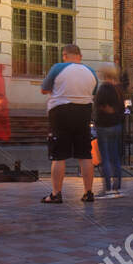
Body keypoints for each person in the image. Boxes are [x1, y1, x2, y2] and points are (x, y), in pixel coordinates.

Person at [39, 43, 98, 203]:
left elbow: (44, 89)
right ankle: (88, 192)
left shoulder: (58, 68)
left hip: (61, 112)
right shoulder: (91, 71)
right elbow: (93, 91)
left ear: (64, 55)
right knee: (85, 154)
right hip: (84, 112)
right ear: (80, 56)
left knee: (59, 156)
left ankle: (56, 194)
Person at [93, 64, 125, 198]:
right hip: (116, 125)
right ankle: (117, 187)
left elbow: (99, 106)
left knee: (105, 158)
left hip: (104, 126)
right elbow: (123, 108)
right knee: (115, 157)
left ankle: (108, 188)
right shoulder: (118, 90)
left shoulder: (103, 89)